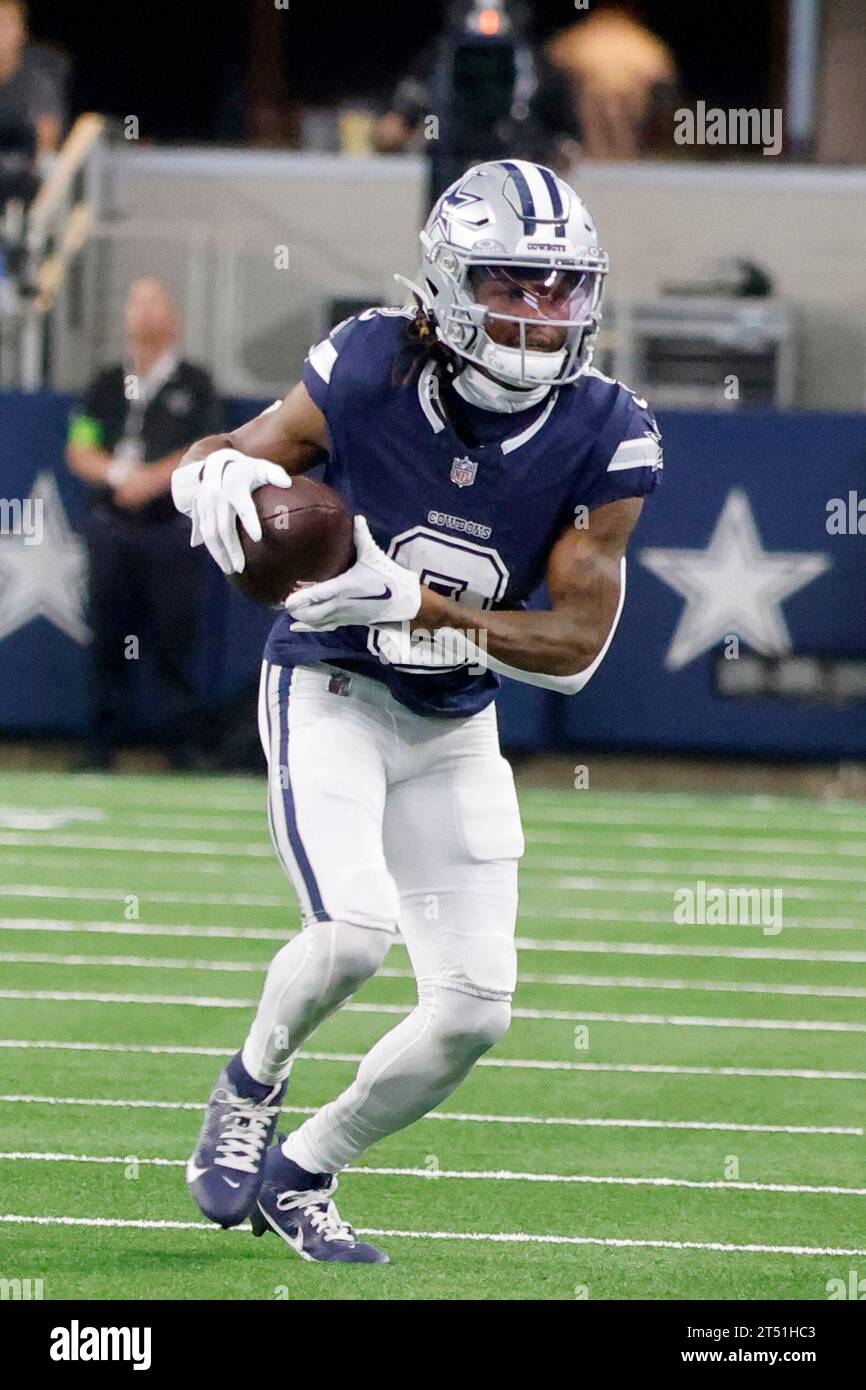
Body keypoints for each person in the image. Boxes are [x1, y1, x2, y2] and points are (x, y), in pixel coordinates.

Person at [172, 158, 662, 1263]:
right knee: (349, 934)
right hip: (330, 680)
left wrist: (420, 602)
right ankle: (249, 1084)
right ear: (444, 284)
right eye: (509, 282)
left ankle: (305, 1167)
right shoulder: (366, 364)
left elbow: (576, 650)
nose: (539, 315)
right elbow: (237, 459)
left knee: (475, 1009)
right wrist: (199, 477)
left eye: (560, 287)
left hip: (453, 723)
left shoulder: (605, 430)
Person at [66, 278, 220, 769]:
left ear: (173, 318)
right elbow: (81, 445)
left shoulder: (194, 384)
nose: (144, 312)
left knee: (175, 636)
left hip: (170, 531)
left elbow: (208, 445)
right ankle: (101, 743)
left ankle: (182, 744)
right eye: (136, 302)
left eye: (156, 301)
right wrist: (116, 474)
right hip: (114, 529)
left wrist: (152, 480)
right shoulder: (107, 384)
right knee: (108, 634)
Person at [0, 0, 62, 156]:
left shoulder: (37, 83)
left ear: (22, 32)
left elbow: (47, 143)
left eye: (6, 25)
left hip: (21, 172)